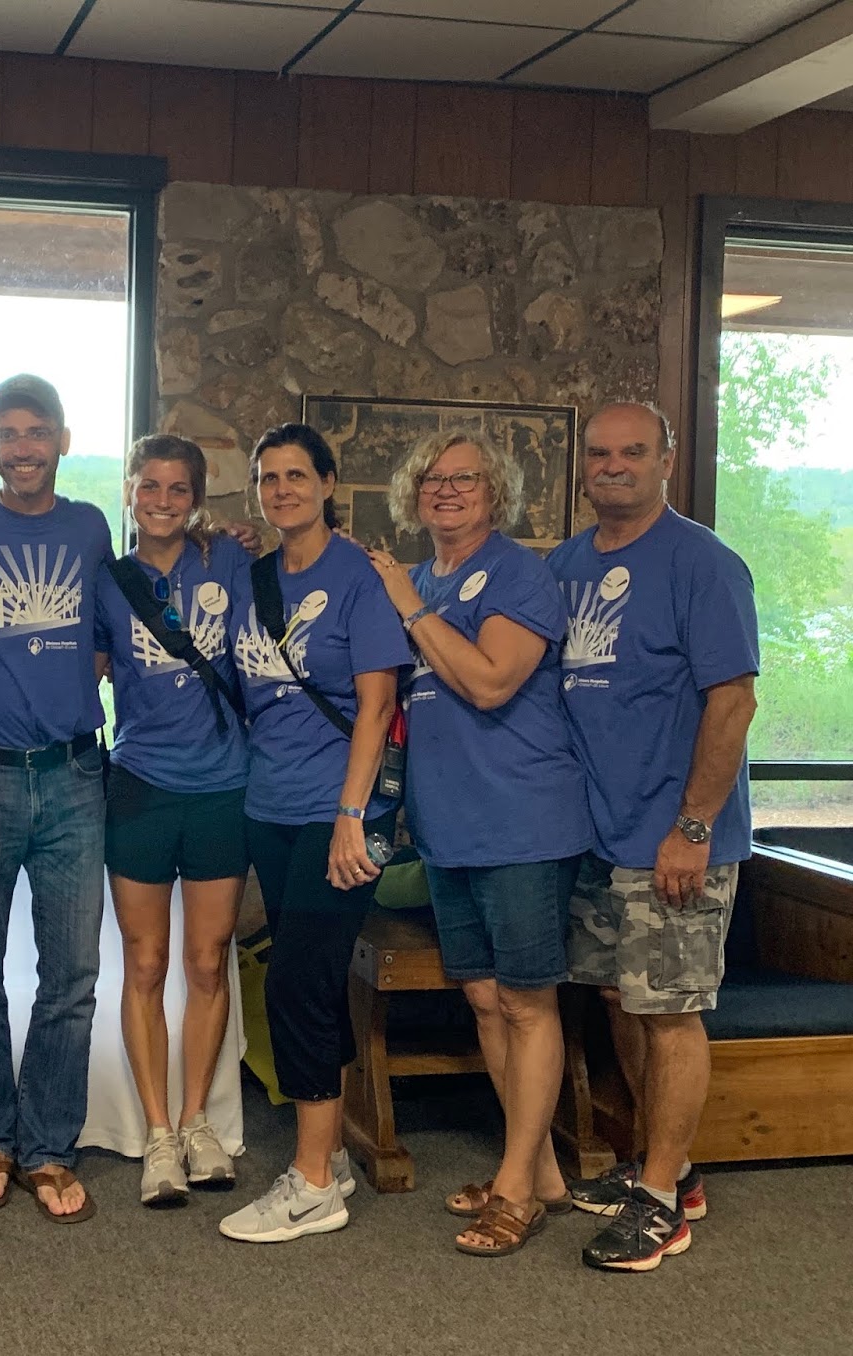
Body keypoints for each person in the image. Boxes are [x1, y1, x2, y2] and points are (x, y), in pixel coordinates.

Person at [366, 430, 593, 1257]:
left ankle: (513, 1189)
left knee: (529, 1003)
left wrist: (410, 606)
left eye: (465, 478)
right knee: (487, 1000)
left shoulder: (519, 573)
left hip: (525, 821)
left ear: (496, 493)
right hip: (451, 826)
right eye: (432, 478)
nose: (447, 489)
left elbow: (493, 681)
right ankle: (540, 1177)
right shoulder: (422, 578)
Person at [549, 402, 758, 1272]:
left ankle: (662, 1200)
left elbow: (734, 700)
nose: (613, 466)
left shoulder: (703, 563)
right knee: (619, 999)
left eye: (633, 452)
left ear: (666, 460)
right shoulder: (563, 565)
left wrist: (693, 827)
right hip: (596, 835)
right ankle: (664, 1165)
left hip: (676, 837)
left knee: (671, 1013)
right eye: (599, 454)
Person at [218, 422, 410, 1244]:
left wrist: (351, 816)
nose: (283, 489)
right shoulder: (255, 576)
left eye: (298, 475)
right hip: (270, 806)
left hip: (341, 816)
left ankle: (309, 1182)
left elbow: (377, 704)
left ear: (329, 483)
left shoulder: (359, 577)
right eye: (269, 478)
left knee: (296, 981)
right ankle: (325, 1161)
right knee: (312, 982)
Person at [0, 374, 112, 1222]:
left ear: (63, 440)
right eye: (6, 434)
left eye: (36, 432)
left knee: (70, 976)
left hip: (76, 775)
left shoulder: (89, 527)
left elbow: (113, 632)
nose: (21, 448)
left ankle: (48, 1146)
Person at [93, 434, 251, 1206]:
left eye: (177, 489)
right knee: (146, 962)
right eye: (148, 486)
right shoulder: (106, 580)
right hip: (141, 785)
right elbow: (78, 672)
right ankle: (157, 1133)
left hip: (224, 787)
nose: (162, 500)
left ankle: (196, 1123)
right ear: (128, 490)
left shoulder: (228, 562)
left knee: (207, 960)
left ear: (198, 496)